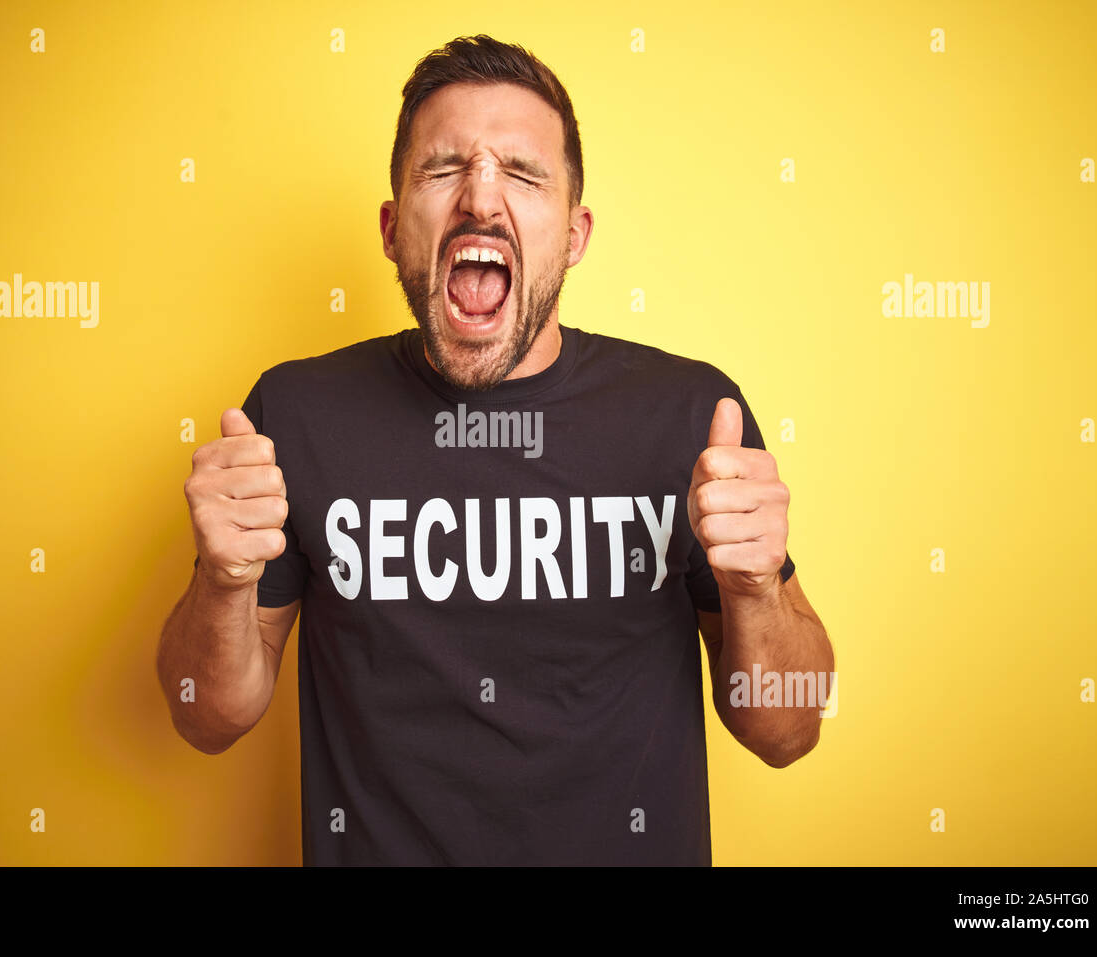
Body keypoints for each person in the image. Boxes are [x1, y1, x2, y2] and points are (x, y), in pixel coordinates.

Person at [157, 34, 834, 866]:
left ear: (576, 233)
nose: (480, 198)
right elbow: (206, 717)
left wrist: (756, 591)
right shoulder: (294, 416)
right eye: (442, 170)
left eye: (521, 173)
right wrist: (223, 584)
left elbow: (789, 730)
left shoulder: (691, 416)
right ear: (392, 227)